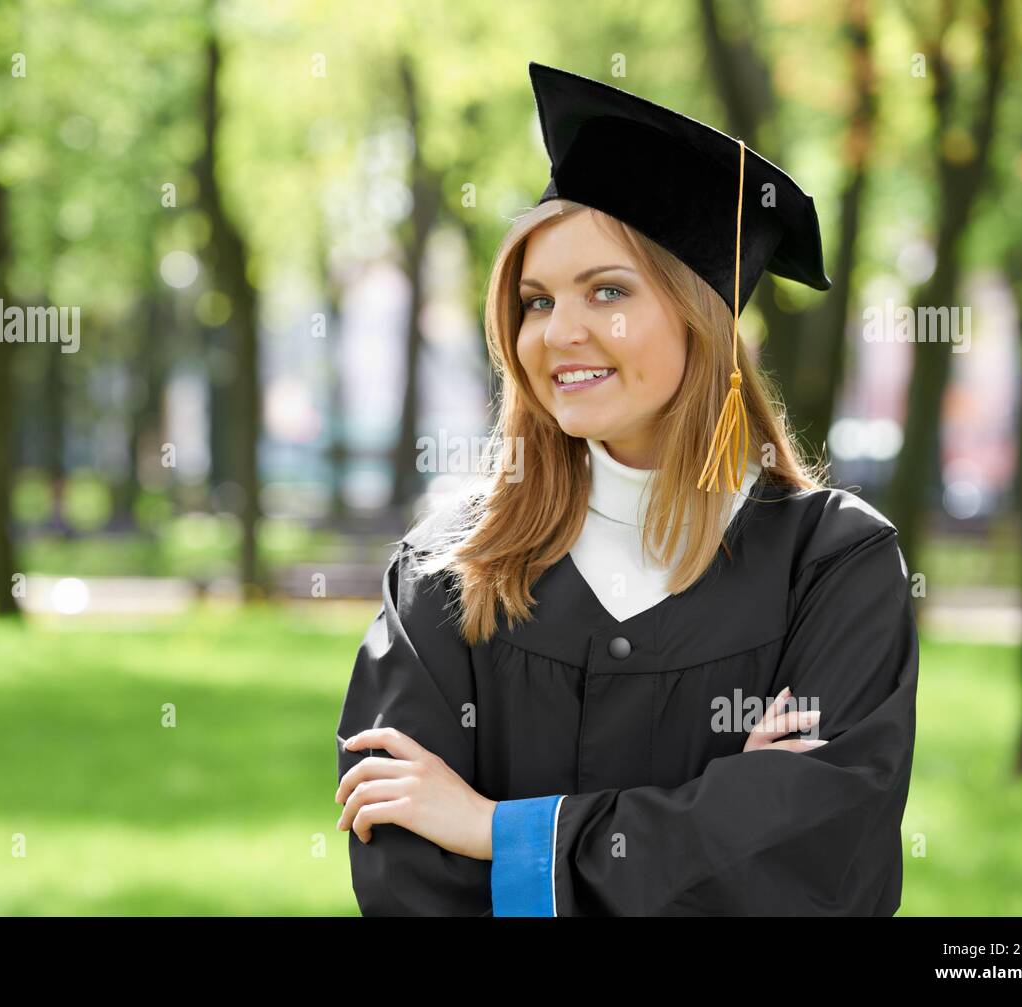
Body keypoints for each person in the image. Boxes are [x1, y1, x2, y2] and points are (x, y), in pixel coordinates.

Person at [333, 61, 918, 916]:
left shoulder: (831, 569)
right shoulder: (444, 572)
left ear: (700, 316)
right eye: (534, 301)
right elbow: (408, 876)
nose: (559, 333)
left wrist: (499, 831)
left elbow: (812, 868)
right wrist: (713, 814)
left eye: (607, 291)